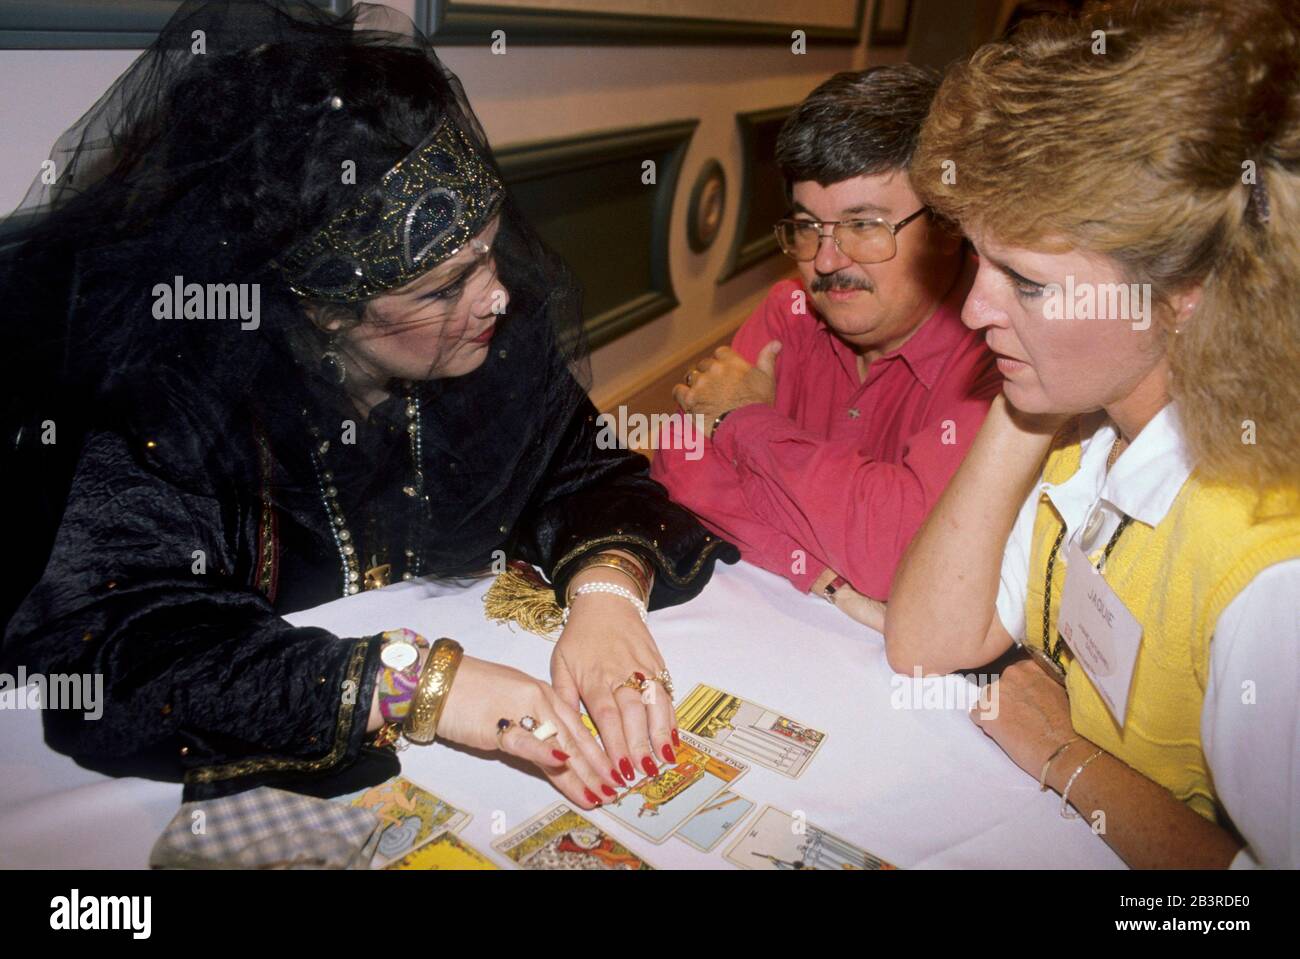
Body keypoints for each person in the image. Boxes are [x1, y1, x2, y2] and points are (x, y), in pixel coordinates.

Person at [0, 0, 737, 808]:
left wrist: (607, 589)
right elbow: (120, 655)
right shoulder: (180, 401)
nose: (495, 296)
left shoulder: (491, 347)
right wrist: (419, 687)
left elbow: (589, 474)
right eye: (443, 287)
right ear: (322, 308)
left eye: (489, 249)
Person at [886, 0, 1299, 867]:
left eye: (1026, 282)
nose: (970, 308)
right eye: (976, 258)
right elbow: (927, 643)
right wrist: (1027, 387)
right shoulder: (1092, 423)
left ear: (1185, 295)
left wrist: (1062, 754)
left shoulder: (1273, 579)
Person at [651, 66, 999, 631]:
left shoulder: (997, 350)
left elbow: (897, 554)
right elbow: (681, 465)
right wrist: (826, 578)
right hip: (787, 623)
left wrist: (745, 421)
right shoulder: (789, 309)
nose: (827, 261)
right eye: (808, 226)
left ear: (947, 224)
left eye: (864, 225)